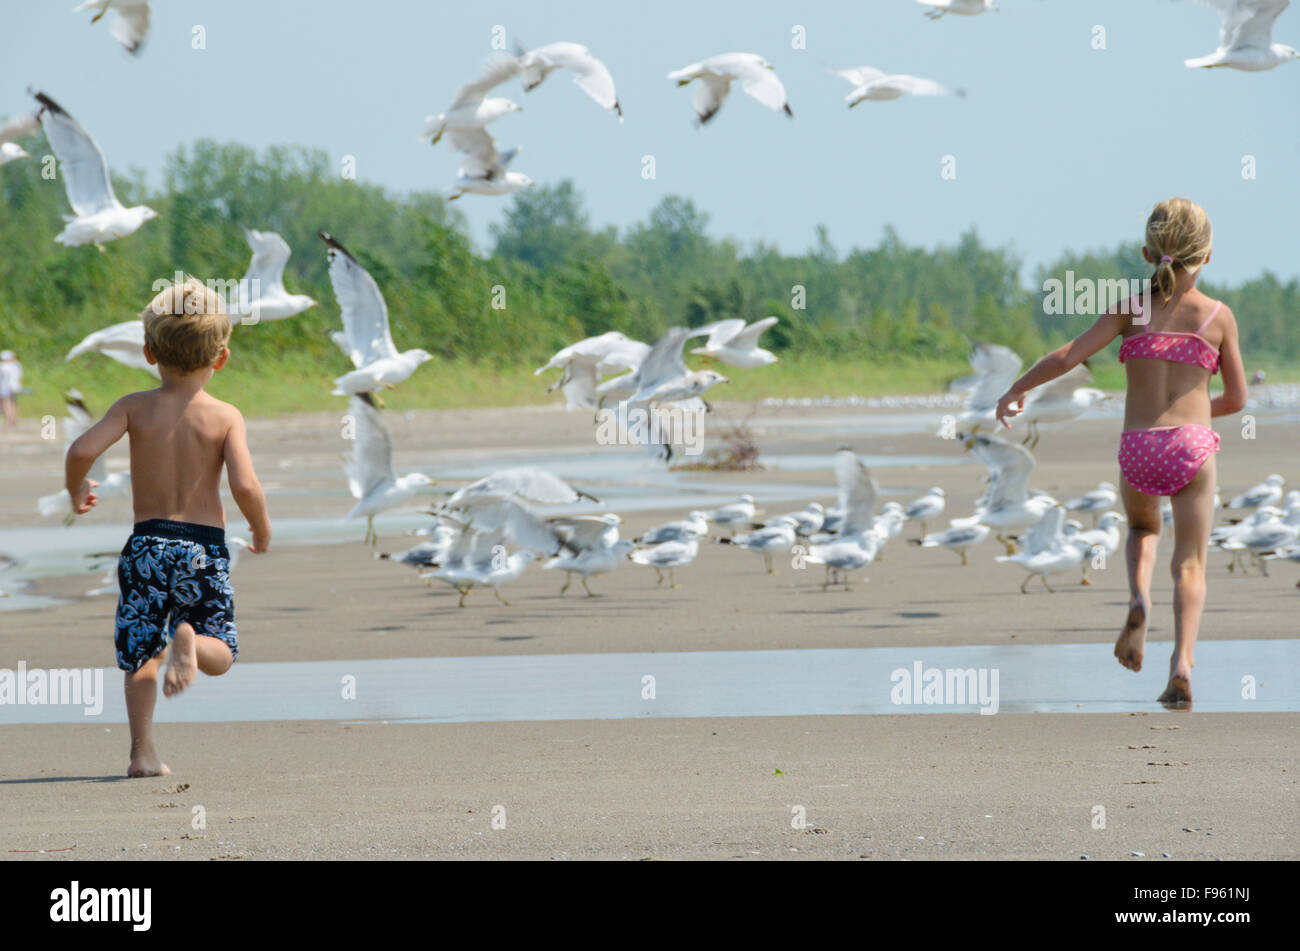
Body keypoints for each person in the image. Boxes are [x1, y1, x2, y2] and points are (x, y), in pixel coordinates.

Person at [995, 198, 1246, 705]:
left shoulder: (1129, 308)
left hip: (1138, 447)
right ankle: (1182, 663)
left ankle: (1137, 598)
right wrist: (1195, 418)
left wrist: (1016, 389)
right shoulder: (1218, 317)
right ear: (1209, 256)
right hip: (1192, 448)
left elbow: (1068, 355)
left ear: (1147, 252)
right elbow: (1239, 399)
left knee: (1140, 529)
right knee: (1191, 563)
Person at [64, 278, 272, 776]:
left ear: (149, 352)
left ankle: (142, 754)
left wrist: (77, 490)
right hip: (202, 549)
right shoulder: (224, 416)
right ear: (220, 359)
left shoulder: (134, 406)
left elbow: (81, 450)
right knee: (220, 649)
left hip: (145, 546)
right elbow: (245, 484)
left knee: (140, 650)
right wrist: (261, 532)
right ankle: (191, 643)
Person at [0, 349, 22, 428]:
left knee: (6, 403)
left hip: (5, 387)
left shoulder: (3, 366)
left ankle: (8, 420)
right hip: (15, 387)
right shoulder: (16, 365)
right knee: (13, 402)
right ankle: (13, 419)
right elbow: (20, 377)